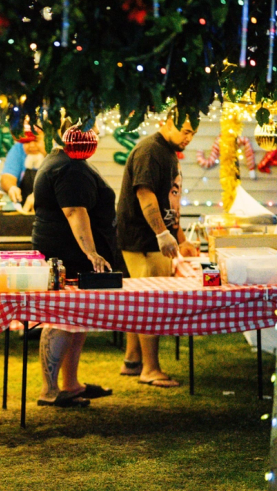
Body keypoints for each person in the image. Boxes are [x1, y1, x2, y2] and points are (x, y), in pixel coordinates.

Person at [32, 121, 116, 407]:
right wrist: (92, 253)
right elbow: (74, 212)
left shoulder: (61, 160)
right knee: (61, 319)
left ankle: (69, 385)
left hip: (65, 254)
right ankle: (50, 390)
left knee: (75, 319)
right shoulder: (69, 166)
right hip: (68, 255)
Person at [116, 107, 200, 388]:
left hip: (156, 238)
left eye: (193, 132)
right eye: (185, 130)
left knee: (139, 299)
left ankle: (132, 360)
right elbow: (145, 194)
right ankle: (150, 369)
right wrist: (162, 234)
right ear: (168, 122)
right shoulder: (150, 150)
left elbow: (170, 199)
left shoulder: (169, 153)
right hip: (143, 240)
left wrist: (181, 237)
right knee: (149, 303)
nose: (189, 137)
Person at [0, 126, 46, 213]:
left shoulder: (58, 153)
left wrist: (42, 196)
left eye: (36, 140)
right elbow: (7, 176)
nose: (32, 145)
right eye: (27, 141)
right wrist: (11, 188)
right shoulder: (18, 149)